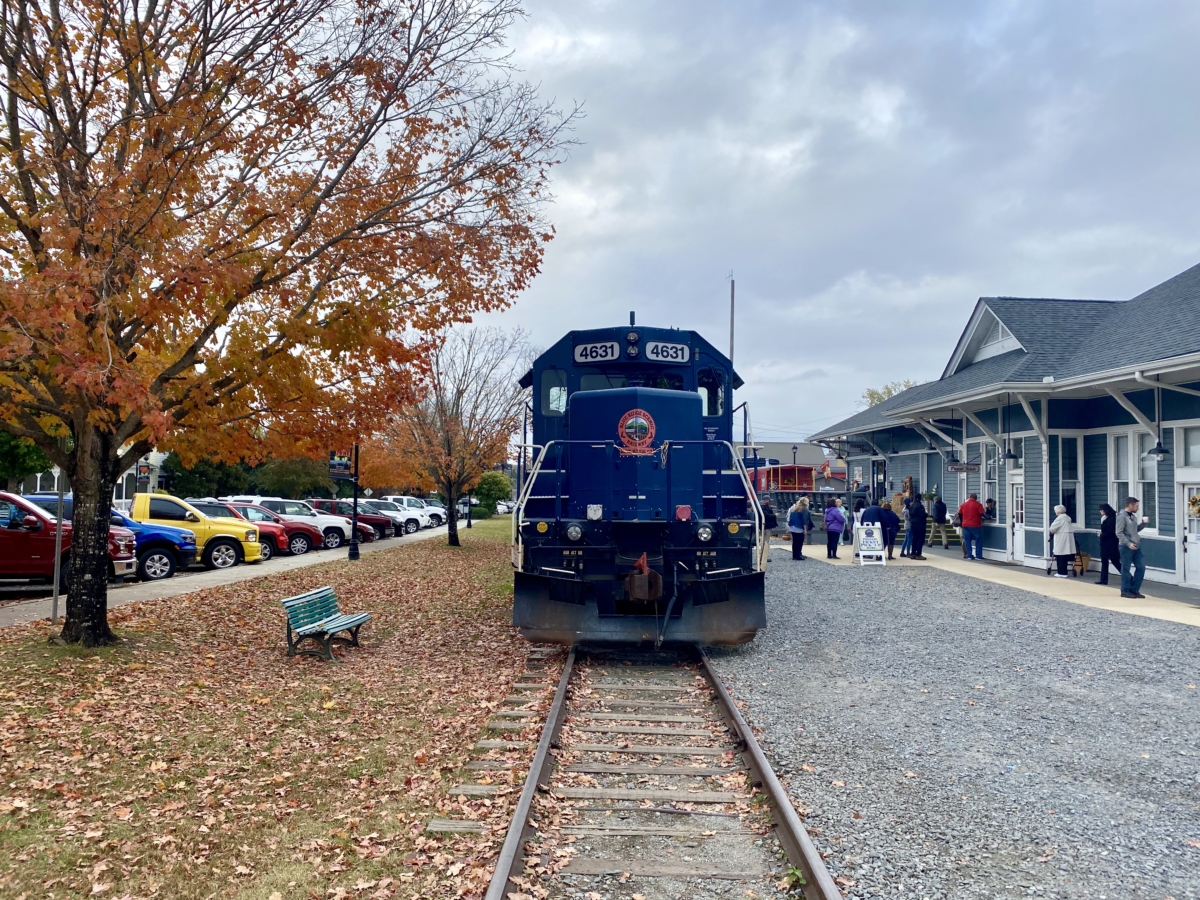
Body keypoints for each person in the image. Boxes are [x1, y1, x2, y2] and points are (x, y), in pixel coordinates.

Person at [1116, 496, 1147, 599]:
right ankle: (1125, 590)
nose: (1138, 508)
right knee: (1126, 568)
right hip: (1126, 547)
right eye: (1136, 506)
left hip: (1136, 545)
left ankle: (1134, 589)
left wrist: (1143, 524)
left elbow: (1135, 530)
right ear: (1130, 505)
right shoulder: (1121, 516)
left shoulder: (1133, 517)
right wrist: (1128, 544)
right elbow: (1119, 532)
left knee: (1141, 567)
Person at [1096, 503, 1122, 586]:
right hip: (1105, 542)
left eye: (1101, 510)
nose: (1100, 512)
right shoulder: (1106, 518)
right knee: (1104, 561)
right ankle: (1103, 579)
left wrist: (1101, 535)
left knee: (1114, 561)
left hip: (1110, 542)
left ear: (1104, 511)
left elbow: (1111, 532)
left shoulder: (1111, 519)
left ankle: (1128, 577)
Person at [1049, 504, 1076, 578]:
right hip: (1068, 537)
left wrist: (1051, 531)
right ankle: (1063, 572)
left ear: (1058, 511)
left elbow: (1053, 528)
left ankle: (1061, 572)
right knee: (1065, 555)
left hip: (1061, 538)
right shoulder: (1067, 518)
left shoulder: (1060, 518)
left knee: (1060, 555)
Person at [958, 493, 985, 560]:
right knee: (978, 539)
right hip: (975, 524)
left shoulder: (964, 504)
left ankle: (969, 555)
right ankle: (978, 555)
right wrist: (989, 517)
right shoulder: (978, 504)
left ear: (969, 497)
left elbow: (959, 513)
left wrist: (962, 522)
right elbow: (982, 513)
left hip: (965, 524)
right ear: (976, 498)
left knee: (967, 540)